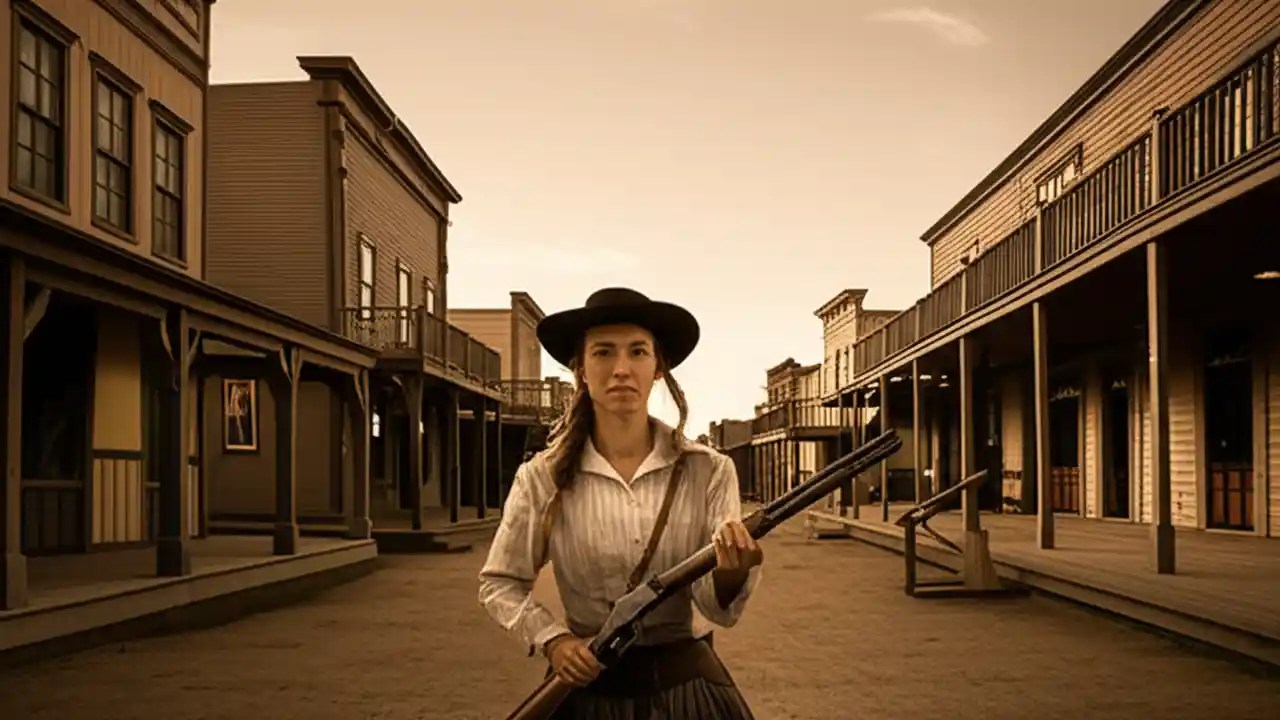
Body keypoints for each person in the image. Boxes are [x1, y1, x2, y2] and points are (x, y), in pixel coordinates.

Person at [478, 287, 764, 719]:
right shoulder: (542, 478)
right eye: (604, 353)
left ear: (657, 368)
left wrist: (733, 570)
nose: (621, 369)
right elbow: (499, 582)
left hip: (686, 691)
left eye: (637, 352)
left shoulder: (710, 469)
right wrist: (554, 640)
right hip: (589, 691)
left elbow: (713, 607)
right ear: (580, 369)